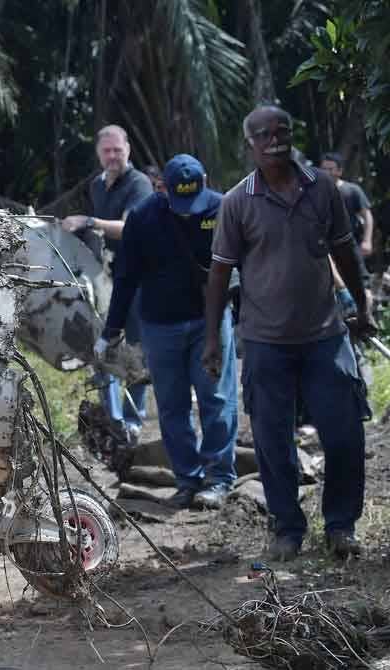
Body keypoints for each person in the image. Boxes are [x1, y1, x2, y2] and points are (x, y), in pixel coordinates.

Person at [203, 105, 375, 561]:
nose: (275, 139)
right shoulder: (238, 201)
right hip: (265, 342)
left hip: (325, 336)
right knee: (273, 440)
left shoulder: (322, 189)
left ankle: (341, 526)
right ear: (250, 144)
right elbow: (219, 275)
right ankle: (287, 529)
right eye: (265, 134)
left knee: (343, 435)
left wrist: (362, 304)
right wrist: (211, 342)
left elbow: (343, 251)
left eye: (283, 130)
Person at [96, 154, 237, 509]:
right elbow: (125, 278)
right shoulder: (143, 218)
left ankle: (219, 479)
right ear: (162, 188)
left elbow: (243, 267)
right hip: (160, 327)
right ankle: (188, 479)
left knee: (216, 400)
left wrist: (248, 319)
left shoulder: (222, 209)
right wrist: (110, 331)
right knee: (172, 406)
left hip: (210, 321)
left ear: (205, 180)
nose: (189, 210)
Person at [61, 125, 153, 438]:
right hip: (105, 277)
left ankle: (134, 421)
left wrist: (89, 221)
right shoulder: (98, 185)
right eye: (106, 151)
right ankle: (113, 421)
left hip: (139, 277)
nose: (113, 156)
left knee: (137, 350)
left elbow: (130, 228)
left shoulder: (139, 184)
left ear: (128, 149)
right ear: (98, 153)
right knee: (101, 344)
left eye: (118, 150)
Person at [319, 152, 375, 258]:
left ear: (339, 171)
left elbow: (367, 216)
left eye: (330, 169)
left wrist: (367, 241)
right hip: (323, 248)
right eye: (323, 169)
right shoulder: (315, 193)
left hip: (349, 245)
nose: (326, 173)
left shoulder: (352, 190)